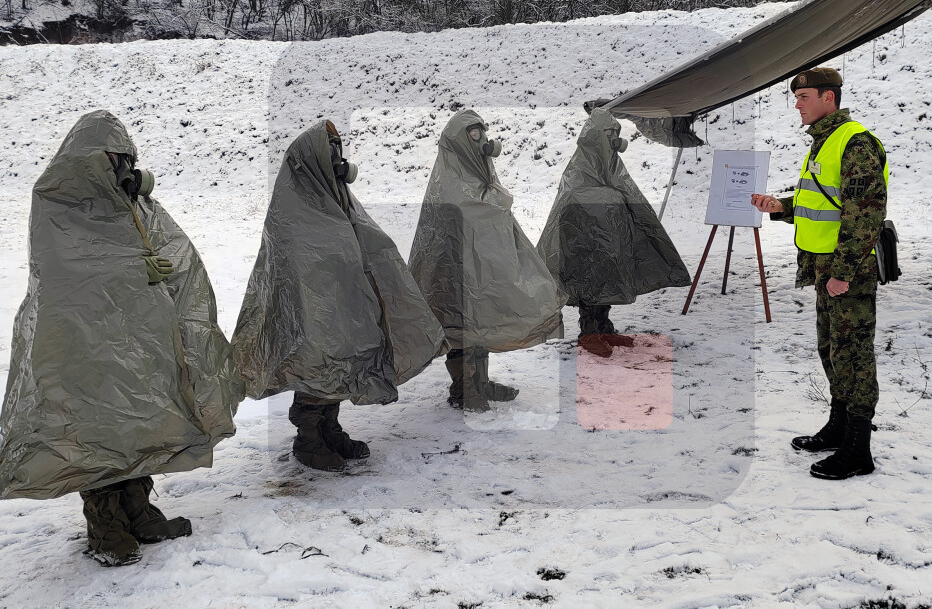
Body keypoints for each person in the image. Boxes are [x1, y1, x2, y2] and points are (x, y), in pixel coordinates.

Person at [0, 110, 241, 566]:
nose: (121, 165)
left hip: (133, 338)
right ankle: (106, 528)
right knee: (97, 429)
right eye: (112, 156)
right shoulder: (57, 200)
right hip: (80, 341)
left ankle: (139, 512)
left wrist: (160, 271)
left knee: (138, 421)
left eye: (124, 156)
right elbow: (64, 271)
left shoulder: (129, 202)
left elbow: (163, 248)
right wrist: (135, 270)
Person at [233, 120, 446, 472]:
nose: (337, 161)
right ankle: (308, 439)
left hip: (342, 307)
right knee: (318, 365)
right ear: (311, 162)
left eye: (337, 150)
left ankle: (329, 430)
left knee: (340, 366)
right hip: (311, 314)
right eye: (328, 152)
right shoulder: (295, 209)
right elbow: (301, 263)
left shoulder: (338, 201)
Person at [751, 67, 888, 480]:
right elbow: (823, 202)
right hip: (826, 267)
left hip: (847, 269)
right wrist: (782, 207)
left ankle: (858, 450)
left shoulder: (855, 142)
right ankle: (838, 428)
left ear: (828, 97)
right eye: (796, 97)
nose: (797, 104)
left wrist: (843, 271)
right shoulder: (824, 141)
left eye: (803, 96)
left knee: (854, 354)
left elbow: (864, 214)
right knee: (832, 350)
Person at [409, 110, 565, 411]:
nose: (481, 141)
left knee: (482, 322)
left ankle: (479, 382)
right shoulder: (450, 183)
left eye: (481, 133)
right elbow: (466, 214)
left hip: (483, 270)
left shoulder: (480, 176)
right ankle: (463, 388)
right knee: (461, 326)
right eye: (473, 135)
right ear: (459, 142)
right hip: (456, 273)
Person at [537, 107, 691, 357]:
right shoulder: (580, 170)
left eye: (614, 133)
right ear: (595, 137)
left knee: (608, 283)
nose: (613, 139)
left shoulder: (611, 167)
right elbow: (572, 204)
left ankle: (605, 329)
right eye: (607, 133)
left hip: (610, 240)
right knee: (590, 285)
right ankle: (589, 334)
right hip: (584, 245)